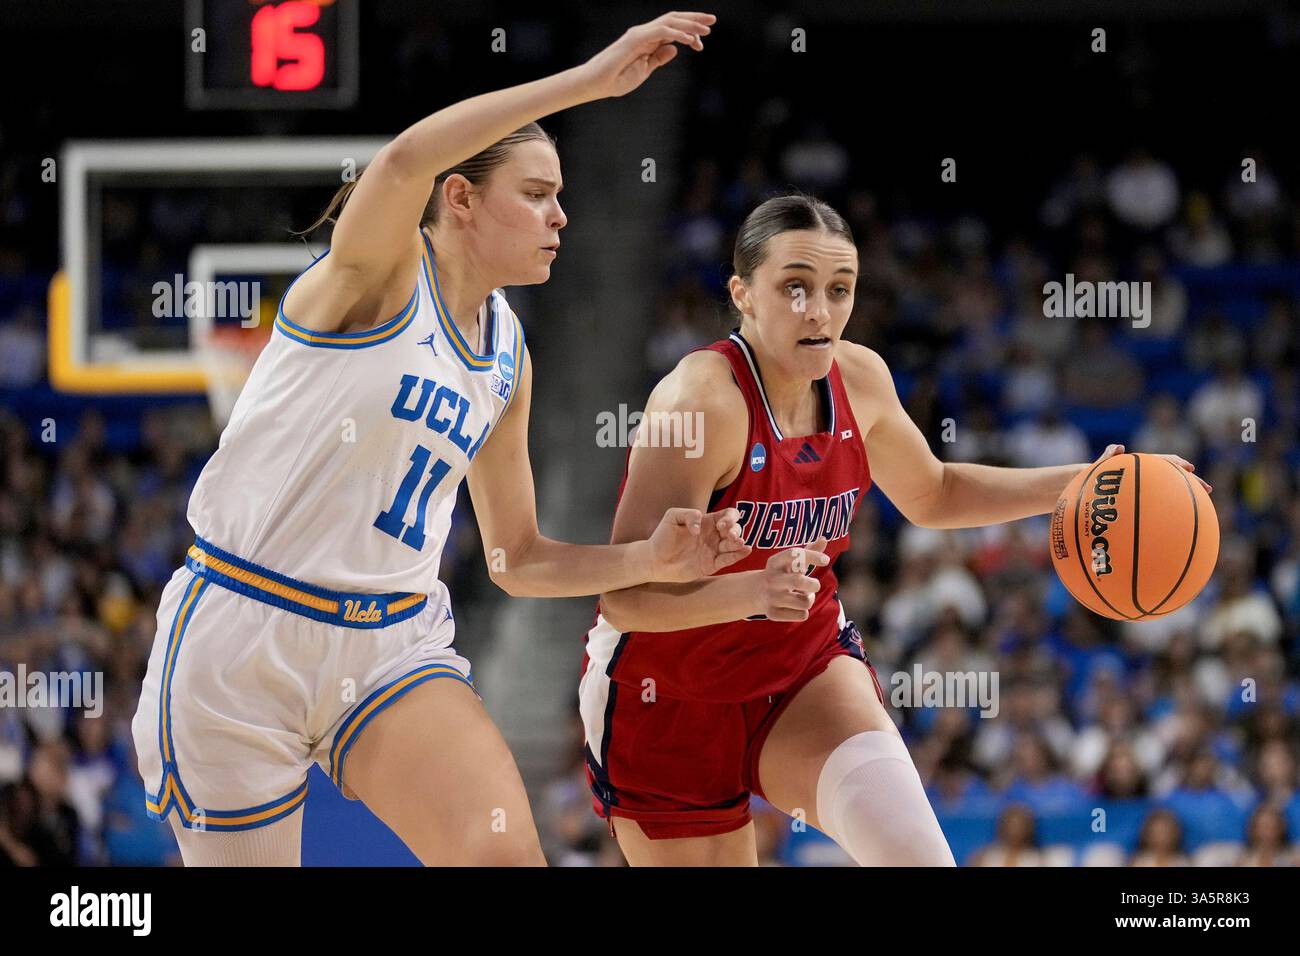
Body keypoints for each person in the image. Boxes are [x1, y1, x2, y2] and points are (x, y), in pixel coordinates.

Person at [131, 10, 739, 867]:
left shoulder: (508, 356)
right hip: (244, 634)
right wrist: (585, 85)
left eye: (561, 196)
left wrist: (652, 561)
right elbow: (407, 159)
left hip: (392, 647)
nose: (560, 216)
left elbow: (517, 558)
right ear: (460, 199)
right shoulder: (375, 276)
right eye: (535, 194)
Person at [580, 193, 1209, 866]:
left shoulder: (861, 376)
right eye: (794, 287)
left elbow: (933, 492)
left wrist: (1078, 484)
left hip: (801, 669)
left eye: (839, 289)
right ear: (743, 294)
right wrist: (749, 595)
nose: (820, 310)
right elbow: (625, 597)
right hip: (664, 696)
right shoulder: (699, 402)